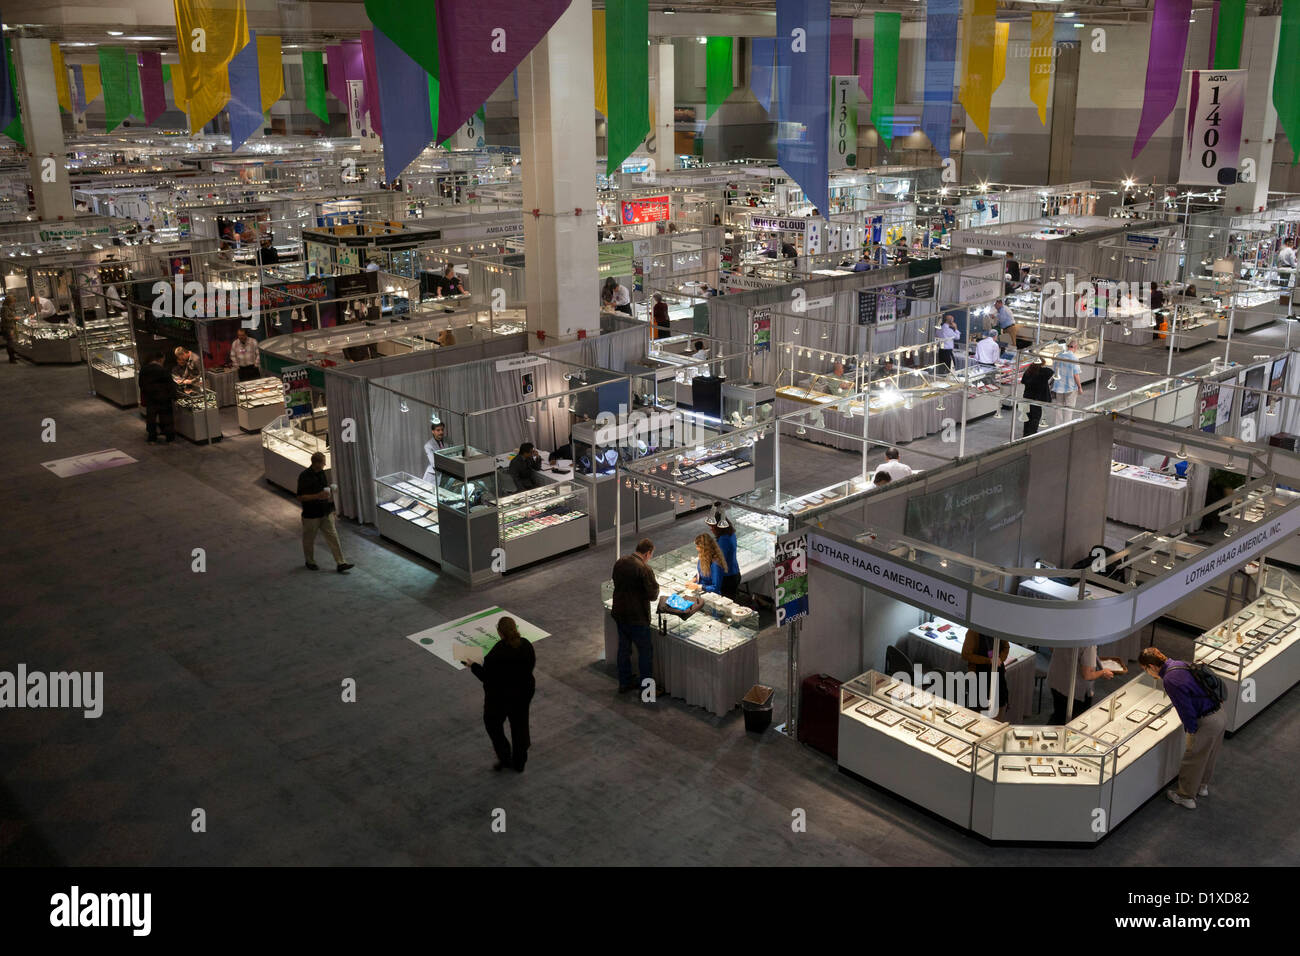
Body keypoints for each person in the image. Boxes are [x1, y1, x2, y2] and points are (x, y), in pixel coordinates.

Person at [1139, 647, 1226, 810]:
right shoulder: (1178, 664)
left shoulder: (1169, 679)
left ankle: (1185, 796)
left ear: (1151, 666)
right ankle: (1202, 786)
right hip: (1219, 713)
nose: (1147, 673)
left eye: (1145, 670)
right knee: (1209, 753)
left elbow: (1185, 708)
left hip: (1206, 721)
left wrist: (1191, 730)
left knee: (1193, 758)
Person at [470, 616, 536, 773]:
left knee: (492, 724)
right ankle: (520, 762)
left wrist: (472, 665)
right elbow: (530, 666)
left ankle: (505, 757)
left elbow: (487, 676)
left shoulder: (498, 652)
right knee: (520, 726)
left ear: (499, 632)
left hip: (500, 698)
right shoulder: (526, 645)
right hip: (522, 694)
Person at [610, 538, 660, 694]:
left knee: (623, 650)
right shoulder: (645, 570)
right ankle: (647, 691)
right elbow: (652, 595)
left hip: (619, 613)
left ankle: (624, 683)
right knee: (645, 653)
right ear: (647, 553)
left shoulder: (620, 562)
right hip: (637, 617)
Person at [297, 451, 354, 573]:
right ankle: (310, 561)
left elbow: (323, 490)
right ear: (316, 463)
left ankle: (341, 563)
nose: (325, 464)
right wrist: (318, 496)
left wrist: (329, 494)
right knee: (309, 539)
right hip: (311, 515)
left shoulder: (322, 473)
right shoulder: (304, 476)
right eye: (323, 462)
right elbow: (301, 497)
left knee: (333, 537)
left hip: (325, 512)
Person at [1047, 644, 1118, 723]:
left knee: (1059, 715)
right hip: (1073, 690)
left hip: (1056, 679)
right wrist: (1103, 672)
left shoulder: (1063, 631)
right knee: (1074, 722)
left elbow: (1052, 647)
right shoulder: (1089, 644)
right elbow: (1087, 675)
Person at [961, 630, 1010, 719]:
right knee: (977, 709)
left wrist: (999, 659)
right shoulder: (973, 632)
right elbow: (965, 654)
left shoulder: (998, 628)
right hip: (979, 675)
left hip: (997, 674)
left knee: (998, 704)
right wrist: (988, 661)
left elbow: (1006, 647)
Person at [138, 351, 177, 443]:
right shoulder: (163, 370)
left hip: (150, 397)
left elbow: (141, 383)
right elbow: (170, 385)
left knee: (151, 417)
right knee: (166, 417)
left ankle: (152, 437)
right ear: (161, 359)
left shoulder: (144, 369)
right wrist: (174, 397)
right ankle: (169, 437)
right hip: (164, 398)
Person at [706, 505, 742, 599]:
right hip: (734, 573)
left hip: (728, 578)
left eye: (713, 527)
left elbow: (719, 559)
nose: (711, 529)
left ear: (719, 527)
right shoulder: (731, 534)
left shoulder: (723, 540)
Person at [1020, 356, 1054, 437]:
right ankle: (1032, 434)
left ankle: (1026, 433)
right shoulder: (1043, 373)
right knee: (1035, 417)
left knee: (1027, 417)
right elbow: (1051, 372)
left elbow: (1023, 381)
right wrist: (1042, 367)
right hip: (1037, 398)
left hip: (1027, 397)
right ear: (1042, 364)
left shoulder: (1028, 372)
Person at [1051, 338, 1082, 425]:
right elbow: (1076, 375)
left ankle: (1057, 427)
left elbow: (1054, 370)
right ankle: (1066, 427)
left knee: (1058, 408)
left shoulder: (1058, 355)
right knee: (1069, 409)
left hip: (1059, 386)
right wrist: (1080, 387)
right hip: (1070, 388)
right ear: (1075, 347)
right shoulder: (1074, 358)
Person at [1, 294, 17, 363]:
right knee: (10, 342)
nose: (13, 303)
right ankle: (12, 358)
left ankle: (13, 357)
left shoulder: (7, 307)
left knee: (11, 342)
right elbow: (5, 318)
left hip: (9, 327)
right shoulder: (5, 308)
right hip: (8, 327)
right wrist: (14, 318)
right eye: (12, 301)